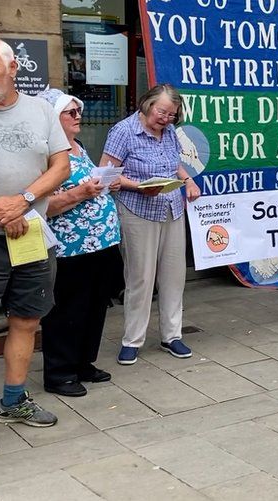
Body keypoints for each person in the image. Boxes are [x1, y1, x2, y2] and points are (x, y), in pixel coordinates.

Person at [0, 38, 70, 450]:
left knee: (27, 319)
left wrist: (20, 202)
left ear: (12, 67)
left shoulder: (41, 111)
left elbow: (61, 164)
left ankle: (13, 400)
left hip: (32, 233)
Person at [100, 84, 201, 365]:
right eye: (162, 112)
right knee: (140, 277)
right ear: (147, 104)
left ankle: (172, 336)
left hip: (171, 208)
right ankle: (132, 340)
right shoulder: (123, 131)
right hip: (138, 210)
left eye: (172, 115)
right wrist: (138, 186)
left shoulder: (169, 131)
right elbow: (105, 176)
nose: (166, 119)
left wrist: (189, 180)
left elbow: (174, 163)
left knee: (174, 275)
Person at [35, 88, 121, 397]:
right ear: (51, 118)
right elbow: (44, 204)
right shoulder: (47, 154)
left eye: (78, 111)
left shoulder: (77, 146)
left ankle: (83, 362)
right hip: (71, 247)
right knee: (68, 309)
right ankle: (59, 373)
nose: (78, 116)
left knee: (95, 306)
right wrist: (80, 194)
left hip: (101, 242)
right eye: (70, 112)